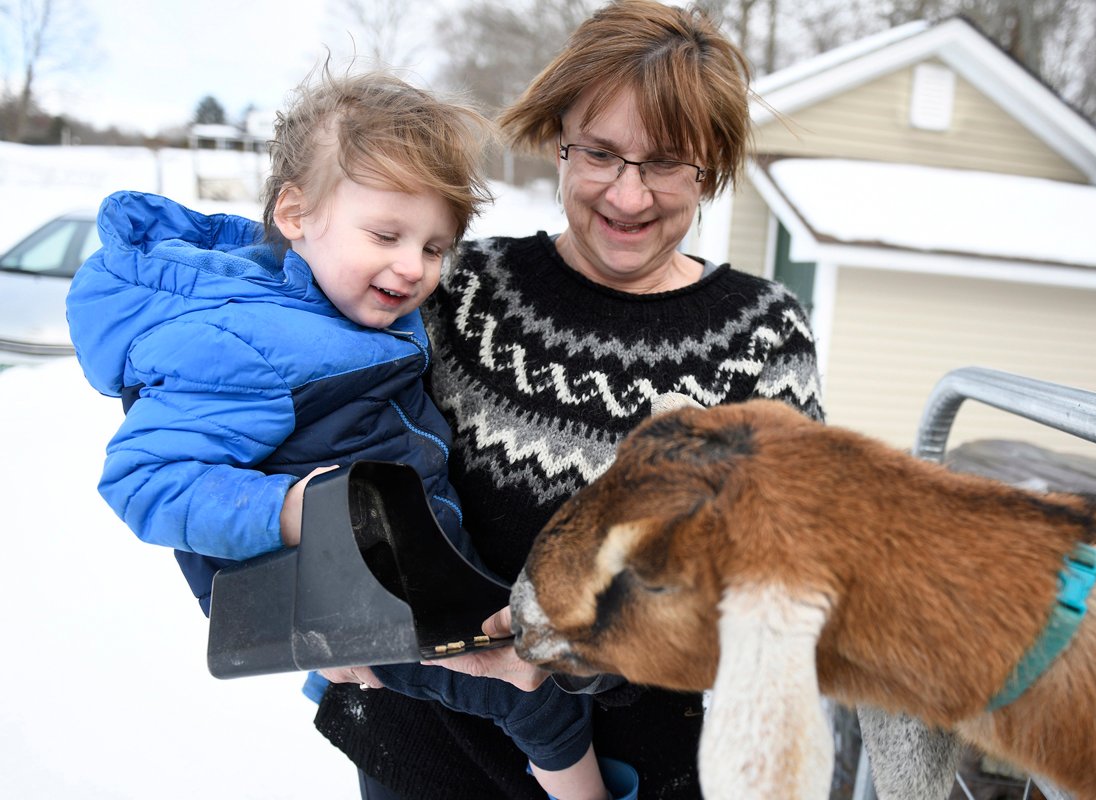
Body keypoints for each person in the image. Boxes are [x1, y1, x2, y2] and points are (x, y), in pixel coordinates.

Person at [311, 2, 826, 798]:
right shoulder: (461, 290)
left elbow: (778, 588)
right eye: (601, 153)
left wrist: (571, 653)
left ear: (710, 168)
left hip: (636, 768)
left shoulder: (762, 337)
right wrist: (322, 597)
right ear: (559, 141)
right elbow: (324, 432)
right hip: (427, 751)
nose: (628, 195)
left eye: (666, 162)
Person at [65, 65, 614, 800]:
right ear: (296, 214)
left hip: (404, 579)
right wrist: (298, 511)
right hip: (352, 604)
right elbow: (142, 480)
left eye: (434, 246)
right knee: (531, 692)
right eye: (386, 234)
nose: (412, 267)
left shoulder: (331, 300)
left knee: (551, 653)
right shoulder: (246, 341)